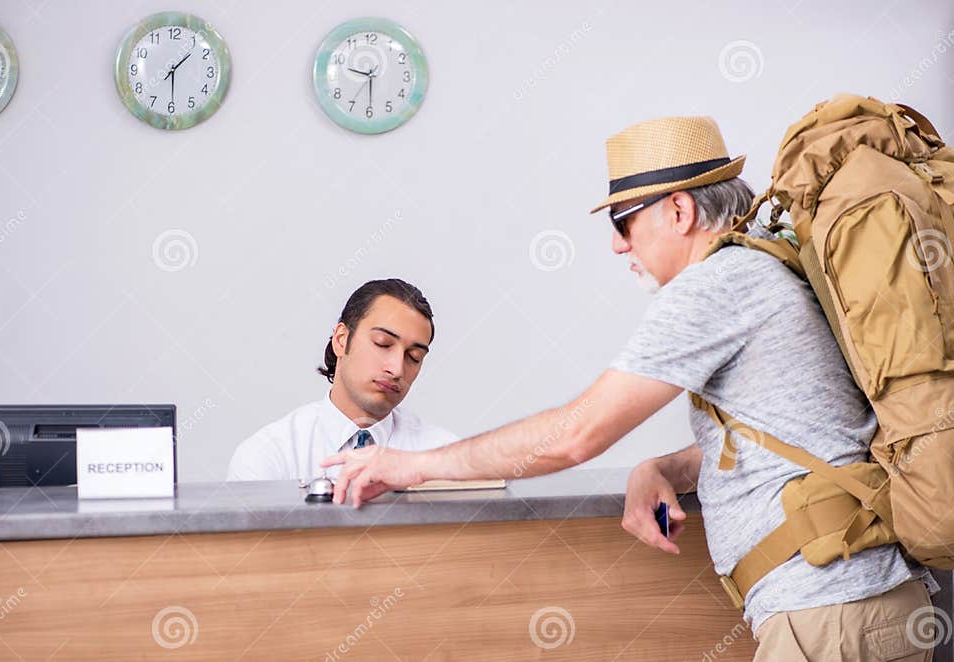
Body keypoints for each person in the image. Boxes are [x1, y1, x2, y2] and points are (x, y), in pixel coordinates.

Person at [322, 117, 938, 660]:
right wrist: (660, 467)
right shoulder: (765, 266)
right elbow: (784, 432)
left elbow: (576, 436)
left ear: (680, 211)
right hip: (859, 606)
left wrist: (413, 466)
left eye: (625, 221)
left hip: (829, 614)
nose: (618, 244)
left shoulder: (715, 286)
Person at [227, 278, 457, 483]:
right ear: (341, 340)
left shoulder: (442, 456)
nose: (397, 369)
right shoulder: (268, 456)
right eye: (383, 343)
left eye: (414, 357)